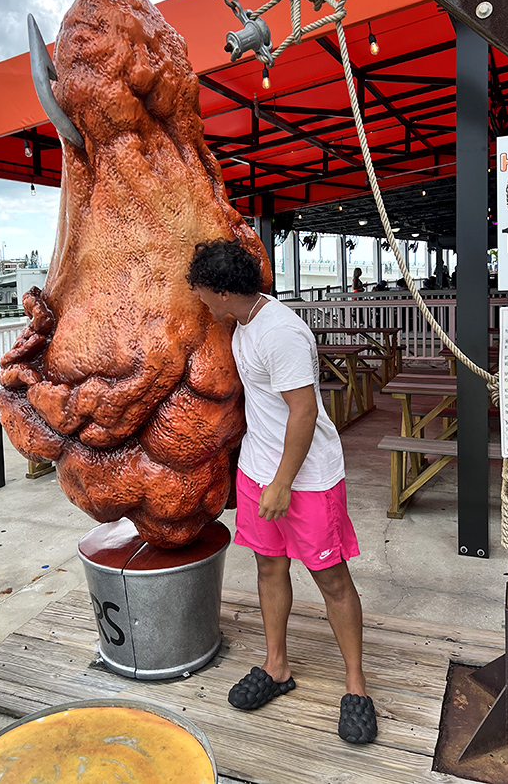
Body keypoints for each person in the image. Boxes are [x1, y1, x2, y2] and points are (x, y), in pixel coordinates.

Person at [186, 238, 377, 745]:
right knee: (268, 565)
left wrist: (283, 483)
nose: (202, 301)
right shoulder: (243, 322)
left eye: (204, 293)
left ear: (225, 292)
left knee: (331, 578)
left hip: (305, 478)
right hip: (257, 469)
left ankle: (356, 685)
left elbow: (304, 412)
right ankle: (276, 667)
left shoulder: (281, 333)